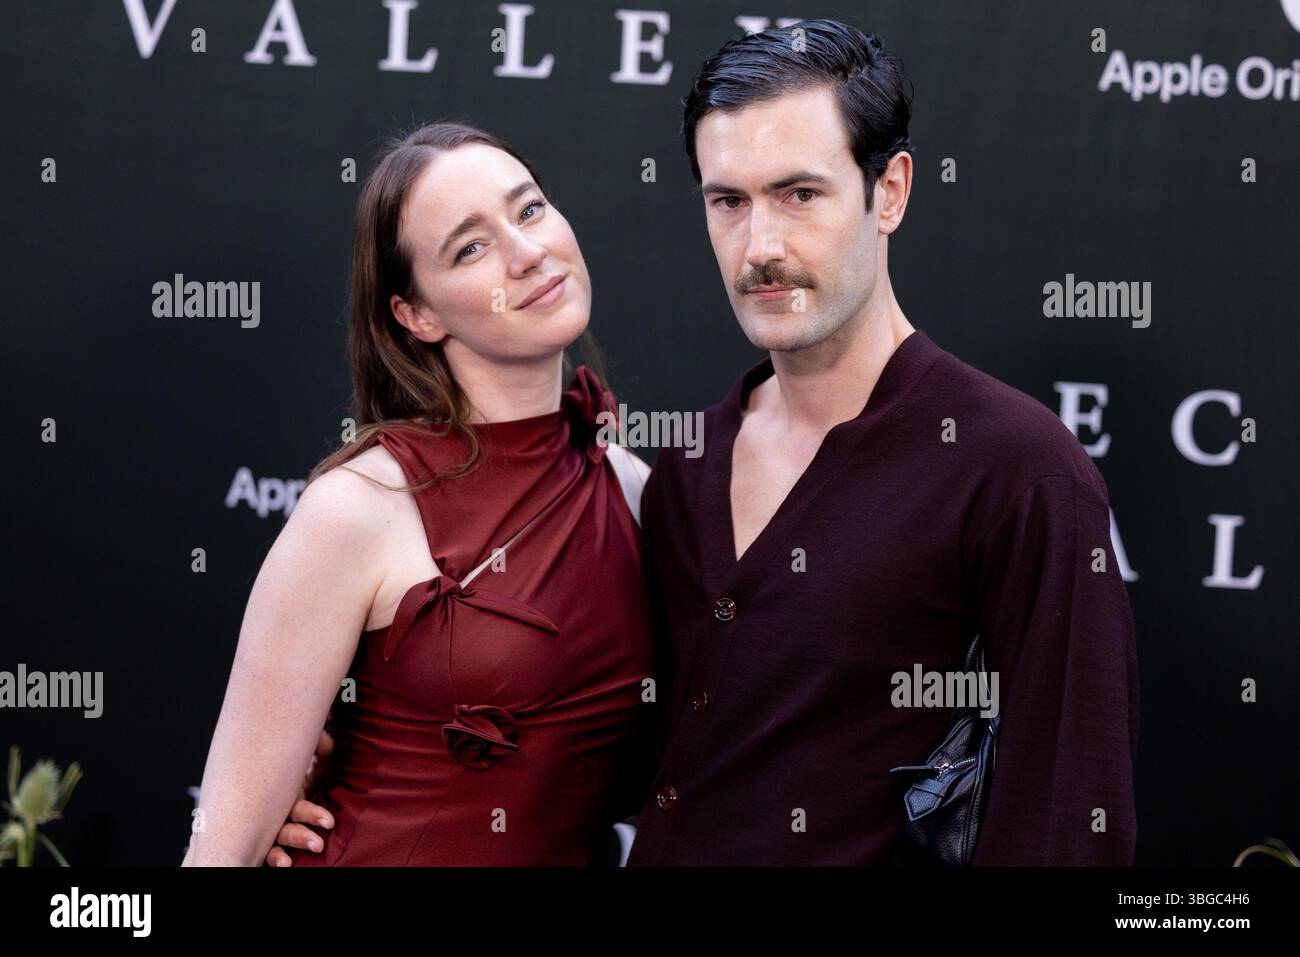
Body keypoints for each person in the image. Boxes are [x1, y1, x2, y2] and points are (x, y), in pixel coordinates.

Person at [273, 19, 1139, 868]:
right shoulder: (679, 477)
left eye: (800, 194)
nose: (761, 247)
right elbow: (605, 752)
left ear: (891, 192)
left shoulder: (1017, 470)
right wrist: (349, 775)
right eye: (729, 201)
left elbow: (1069, 819)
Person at [182, 122, 655, 867]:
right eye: (471, 247)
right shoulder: (358, 506)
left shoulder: (632, 488)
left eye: (529, 209)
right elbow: (218, 851)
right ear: (417, 314)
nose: (527, 252)